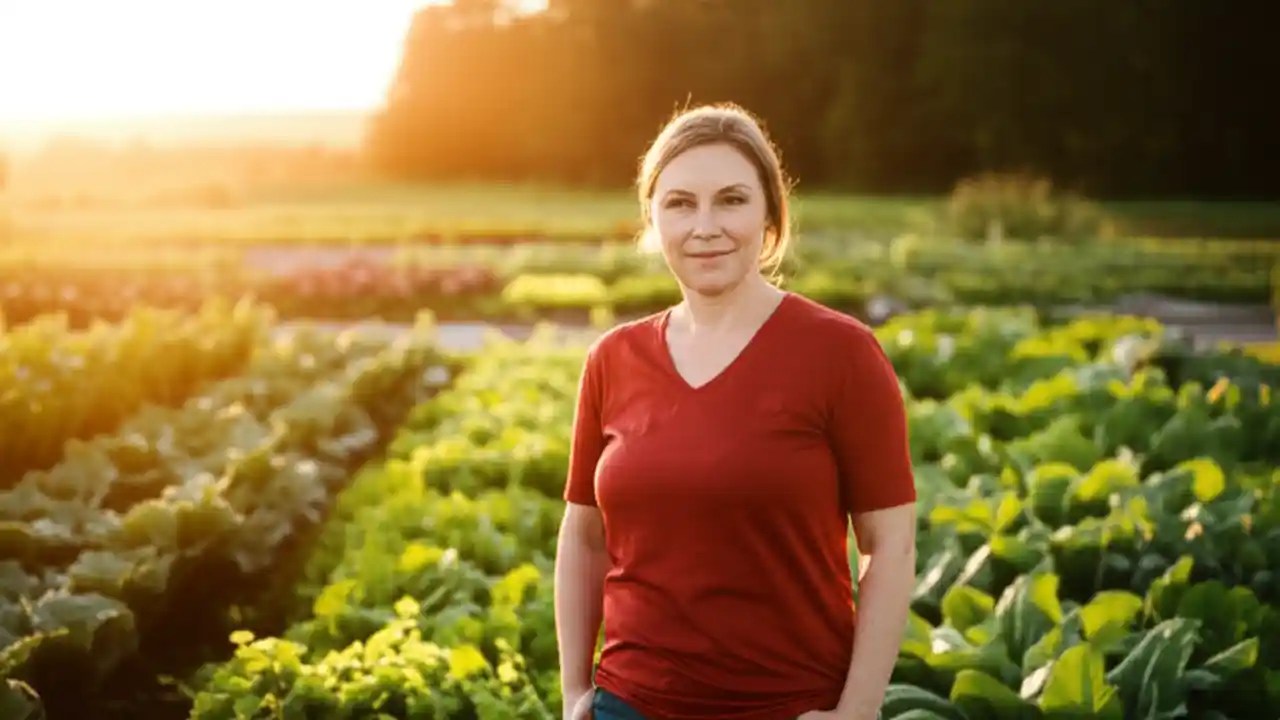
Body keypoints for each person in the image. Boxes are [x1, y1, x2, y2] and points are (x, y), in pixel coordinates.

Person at [554, 103, 917, 720]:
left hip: (789, 705)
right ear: (652, 220)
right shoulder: (613, 359)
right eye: (679, 204)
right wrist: (572, 691)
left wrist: (857, 711)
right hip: (629, 704)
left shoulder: (842, 353)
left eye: (731, 200)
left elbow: (891, 546)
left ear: (770, 216)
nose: (705, 226)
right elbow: (584, 537)